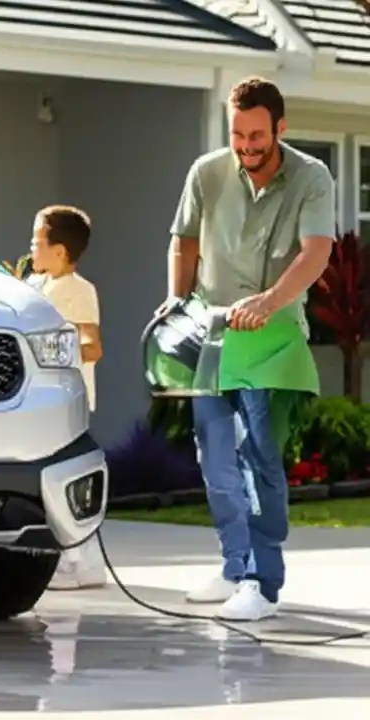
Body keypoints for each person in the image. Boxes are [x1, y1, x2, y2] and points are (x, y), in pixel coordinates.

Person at [165, 76, 331, 621]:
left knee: (260, 457)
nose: (247, 146)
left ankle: (263, 583)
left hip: (274, 340)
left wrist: (270, 300)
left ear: (280, 129)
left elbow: (315, 252)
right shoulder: (206, 172)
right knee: (215, 456)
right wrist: (175, 303)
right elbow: (184, 239)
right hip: (213, 336)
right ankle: (235, 565)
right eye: (238, 134)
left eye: (257, 135)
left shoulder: (312, 177)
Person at [24, 205, 107, 590]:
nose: (31, 247)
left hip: (68, 401)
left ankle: (82, 562)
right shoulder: (34, 286)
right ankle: (75, 560)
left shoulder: (78, 290)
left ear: (60, 251)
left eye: (38, 241)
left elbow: (92, 344)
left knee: (65, 479)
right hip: (41, 400)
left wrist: (59, 344)